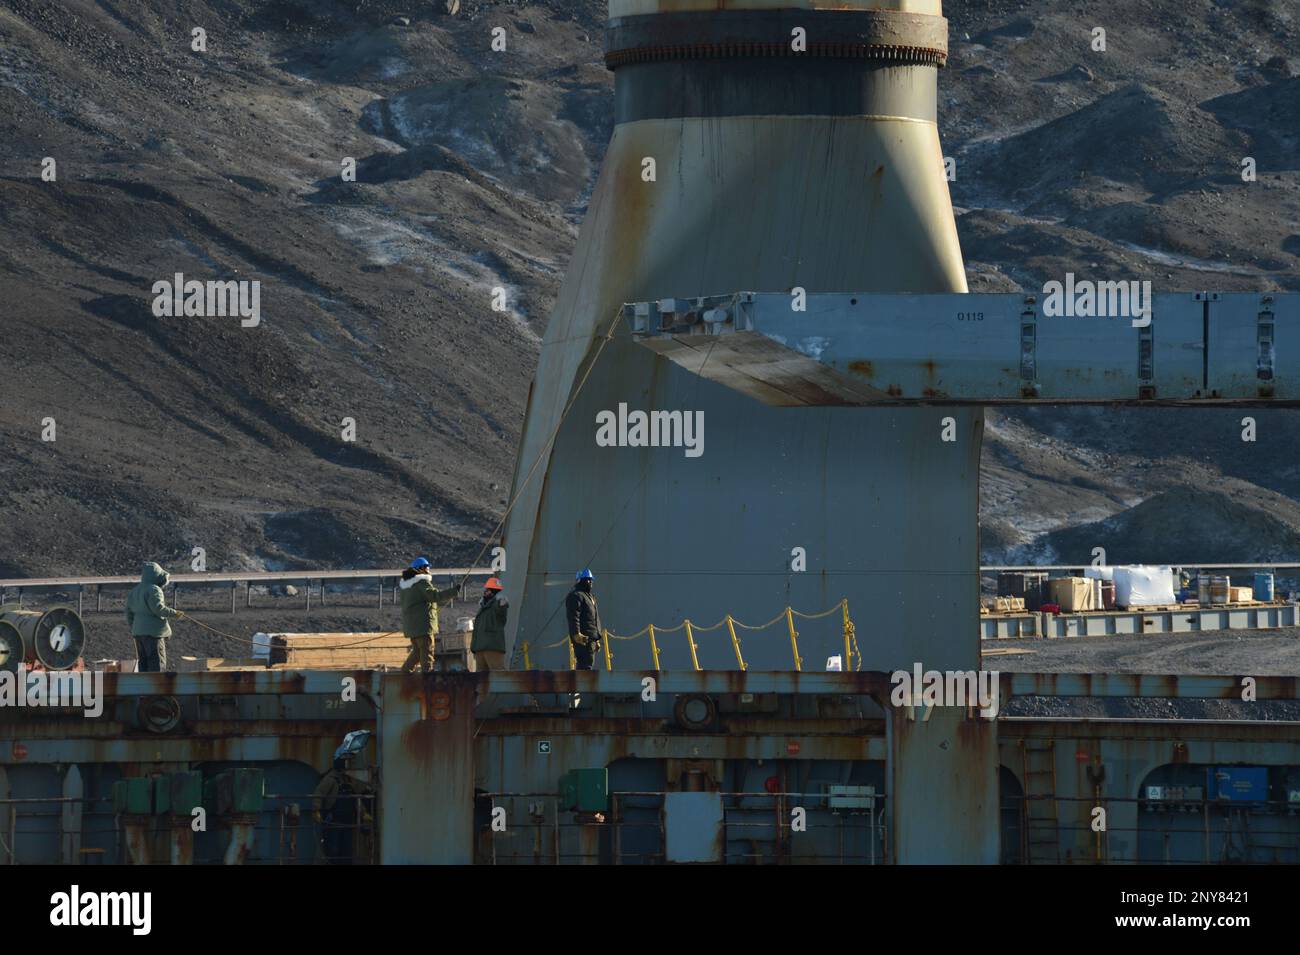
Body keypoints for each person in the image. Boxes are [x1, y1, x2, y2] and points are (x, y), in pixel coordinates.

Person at [398, 556, 459, 673]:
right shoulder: (421, 582)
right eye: (427, 567)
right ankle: (427, 677)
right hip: (423, 626)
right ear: (421, 569)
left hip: (413, 627)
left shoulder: (406, 585)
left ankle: (404, 674)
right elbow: (435, 596)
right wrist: (454, 591)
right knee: (427, 651)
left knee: (416, 652)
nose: (429, 569)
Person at [124, 561, 183, 673]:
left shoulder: (135, 591)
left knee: (144, 664)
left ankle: (145, 688)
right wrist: (175, 613)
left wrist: (135, 627)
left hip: (138, 633)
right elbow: (158, 609)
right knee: (157, 665)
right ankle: (156, 688)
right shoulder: (154, 590)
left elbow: (128, 612)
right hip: (154, 634)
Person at [312, 757, 363, 864]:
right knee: (333, 850)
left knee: (347, 851)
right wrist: (316, 810)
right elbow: (319, 793)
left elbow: (359, 793)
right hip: (333, 822)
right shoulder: (331, 779)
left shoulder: (350, 780)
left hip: (348, 822)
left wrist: (363, 812)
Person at [565, 568, 602, 670]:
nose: (590, 582)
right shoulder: (576, 596)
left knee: (589, 664)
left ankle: (583, 684)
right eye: (587, 579)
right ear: (580, 581)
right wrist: (576, 634)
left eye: (591, 579)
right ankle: (582, 684)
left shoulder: (591, 597)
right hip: (583, 638)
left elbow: (594, 618)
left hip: (591, 639)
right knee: (585, 665)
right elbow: (573, 617)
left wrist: (597, 638)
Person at [470, 577, 508, 671]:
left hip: (492, 647)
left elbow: (501, 610)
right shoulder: (483, 608)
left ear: (492, 592)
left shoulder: (498, 604)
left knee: (498, 675)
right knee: (481, 680)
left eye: (487, 590)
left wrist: (501, 602)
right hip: (480, 648)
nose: (484, 592)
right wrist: (474, 647)